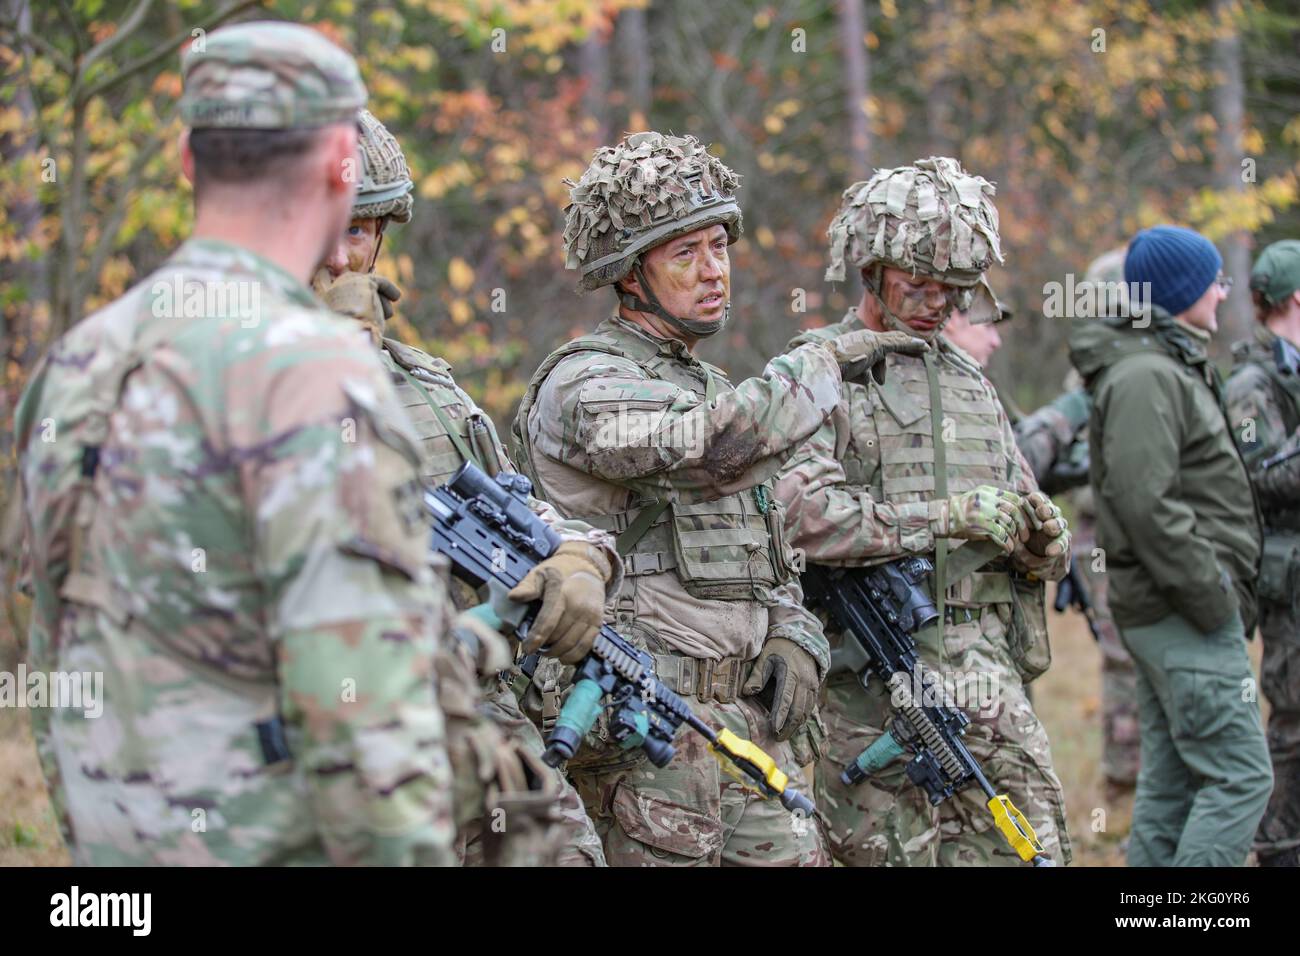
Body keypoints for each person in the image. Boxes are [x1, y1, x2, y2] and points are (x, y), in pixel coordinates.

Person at [13, 22, 457, 864]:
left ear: (187, 160)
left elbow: (54, 663)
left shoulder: (77, 362)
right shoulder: (318, 376)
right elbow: (364, 723)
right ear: (340, 164)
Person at [511, 131, 921, 866]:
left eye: (718, 248)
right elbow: (711, 449)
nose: (713, 273)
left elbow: (773, 555)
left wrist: (796, 635)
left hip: (747, 740)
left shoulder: (711, 386)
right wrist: (818, 363)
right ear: (630, 276)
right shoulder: (582, 384)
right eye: (684, 254)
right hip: (645, 745)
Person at [311, 108, 617, 866]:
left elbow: (516, 506)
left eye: (357, 233)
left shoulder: (426, 390)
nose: (340, 262)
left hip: (470, 718)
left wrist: (579, 559)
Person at [774, 157, 1073, 866]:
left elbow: (1018, 505)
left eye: (956, 290)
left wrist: (1040, 543)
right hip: (870, 683)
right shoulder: (823, 371)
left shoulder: (970, 384)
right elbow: (801, 515)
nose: (938, 304)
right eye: (919, 285)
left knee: (1029, 851)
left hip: (986, 681)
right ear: (870, 269)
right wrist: (945, 517)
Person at [1069, 224, 1271, 866]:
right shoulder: (1148, 375)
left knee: (1174, 782)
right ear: (1182, 290)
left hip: (1174, 609)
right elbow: (1142, 501)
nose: (1222, 291)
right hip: (1182, 611)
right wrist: (1210, 593)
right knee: (1241, 777)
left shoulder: (1163, 364)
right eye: (1213, 279)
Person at [1226, 238, 1300, 866]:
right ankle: (1279, 849)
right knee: (1295, 720)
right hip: (1289, 575)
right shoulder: (1253, 380)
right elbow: (1262, 476)